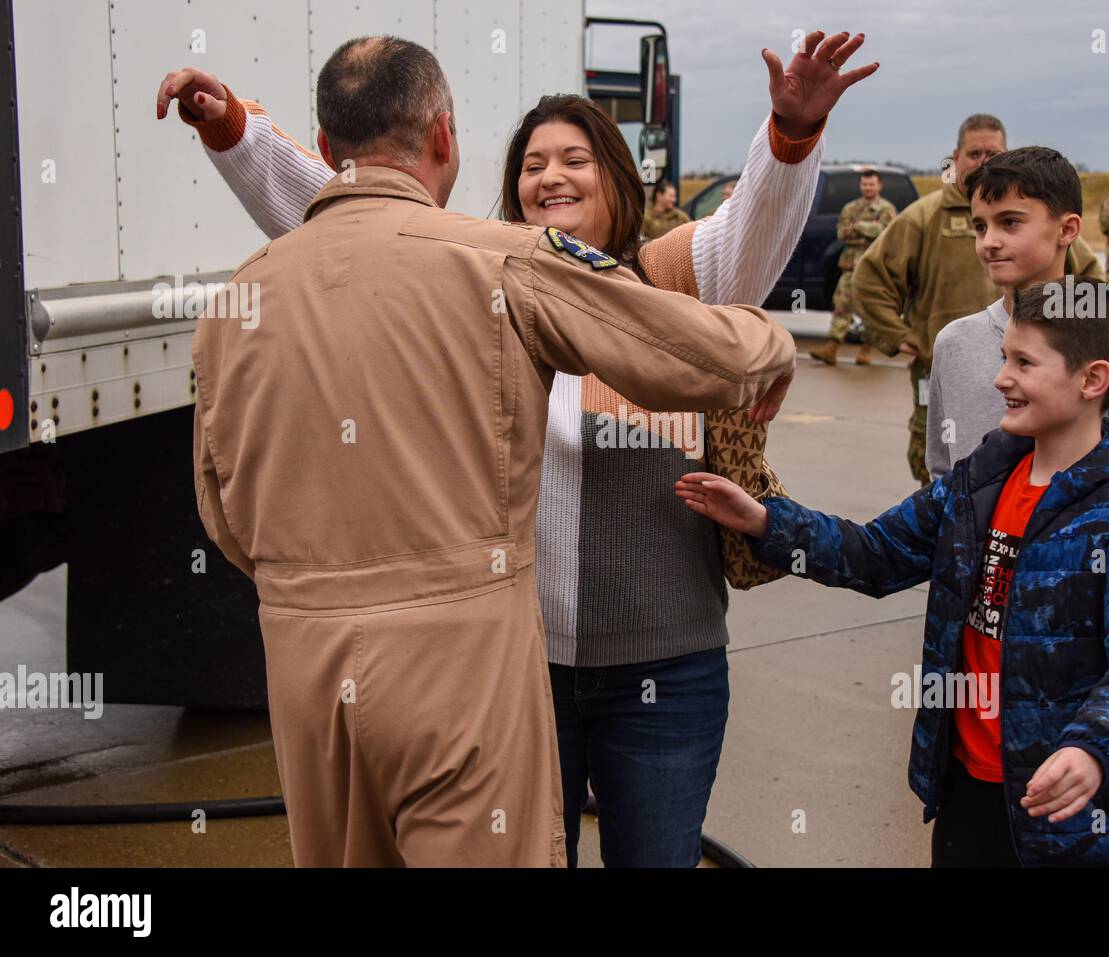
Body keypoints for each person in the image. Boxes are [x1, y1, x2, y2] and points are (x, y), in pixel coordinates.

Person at [162, 31, 879, 865]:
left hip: (661, 665)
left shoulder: (673, 280)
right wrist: (240, 140)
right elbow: (359, 218)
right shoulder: (491, 276)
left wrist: (788, 141)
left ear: (619, 176)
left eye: (575, 158)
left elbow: (752, 229)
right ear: (465, 156)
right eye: (533, 163)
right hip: (525, 665)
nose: (550, 176)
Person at [676, 279, 1109, 867]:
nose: (1002, 378)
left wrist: (1095, 749)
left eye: (1024, 363)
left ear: (1092, 380)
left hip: (1066, 810)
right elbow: (876, 553)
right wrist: (766, 521)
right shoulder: (978, 483)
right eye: (1004, 359)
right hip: (966, 787)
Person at [853, 113, 1102, 485]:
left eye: (993, 152)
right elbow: (869, 279)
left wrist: (1075, 335)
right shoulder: (924, 216)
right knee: (945, 469)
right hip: (944, 365)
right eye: (974, 153)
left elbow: (1090, 277)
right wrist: (901, 337)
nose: (990, 241)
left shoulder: (1039, 219)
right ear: (956, 158)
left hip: (1044, 370)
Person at [927, 147, 1109, 516]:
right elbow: (942, 474)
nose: (989, 241)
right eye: (980, 226)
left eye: (1010, 222)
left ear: (1067, 229)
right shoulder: (954, 343)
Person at [809, 169, 896, 365]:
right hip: (849, 266)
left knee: (870, 309)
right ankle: (831, 348)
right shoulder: (850, 208)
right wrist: (867, 230)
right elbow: (842, 233)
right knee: (841, 305)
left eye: (871, 184)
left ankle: (866, 350)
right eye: (865, 184)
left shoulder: (886, 209)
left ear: (879, 186)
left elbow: (886, 233)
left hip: (873, 267)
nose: (868, 187)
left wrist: (859, 227)